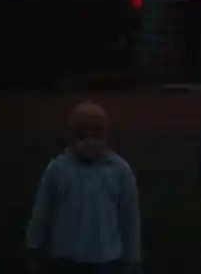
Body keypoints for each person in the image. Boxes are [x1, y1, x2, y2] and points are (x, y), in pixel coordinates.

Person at [24, 101, 142, 274]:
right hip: (65, 258)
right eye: (82, 135)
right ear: (71, 137)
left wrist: (133, 258)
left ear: (106, 136)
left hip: (106, 258)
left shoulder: (119, 170)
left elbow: (129, 217)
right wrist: (33, 245)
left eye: (96, 135)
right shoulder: (58, 169)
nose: (89, 141)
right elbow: (42, 210)